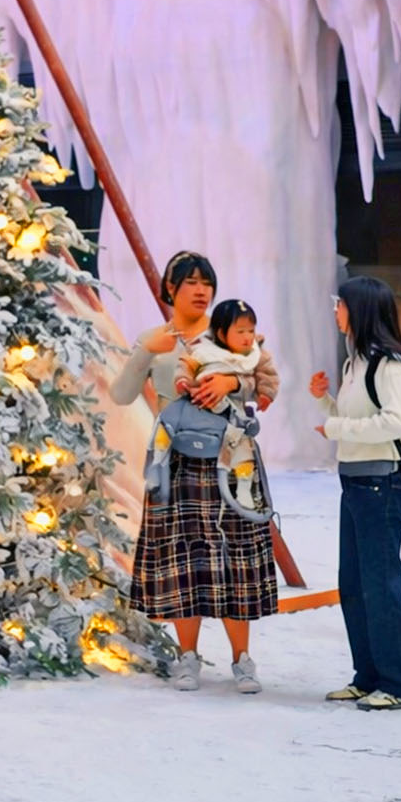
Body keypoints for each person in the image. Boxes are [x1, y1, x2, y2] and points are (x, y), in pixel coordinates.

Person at [111, 252, 278, 694]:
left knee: (236, 554)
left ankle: (242, 658)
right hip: (175, 459)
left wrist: (233, 383)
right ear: (171, 289)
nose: (201, 290)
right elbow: (121, 394)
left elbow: (265, 381)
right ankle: (188, 656)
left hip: (231, 455)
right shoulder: (155, 340)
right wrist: (147, 350)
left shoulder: (230, 330)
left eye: (207, 282)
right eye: (191, 282)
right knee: (182, 557)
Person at [311, 276, 401, 711]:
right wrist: (326, 403)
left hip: (383, 485)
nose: (335, 311)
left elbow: (395, 422)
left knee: (381, 584)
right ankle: (369, 676)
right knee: (355, 585)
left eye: (339, 303)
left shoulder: (390, 366)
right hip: (356, 482)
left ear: (358, 309)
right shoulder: (353, 363)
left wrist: (336, 425)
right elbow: (356, 420)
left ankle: (400, 684)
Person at [176, 299, 266, 509]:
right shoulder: (201, 350)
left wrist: (233, 383)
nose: (247, 337)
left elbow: (263, 381)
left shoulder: (253, 356)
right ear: (221, 333)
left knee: (242, 453)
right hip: (201, 426)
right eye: (240, 331)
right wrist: (184, 382)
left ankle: (244, 487)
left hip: (235, 424)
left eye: (250, 331)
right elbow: (185, 368)